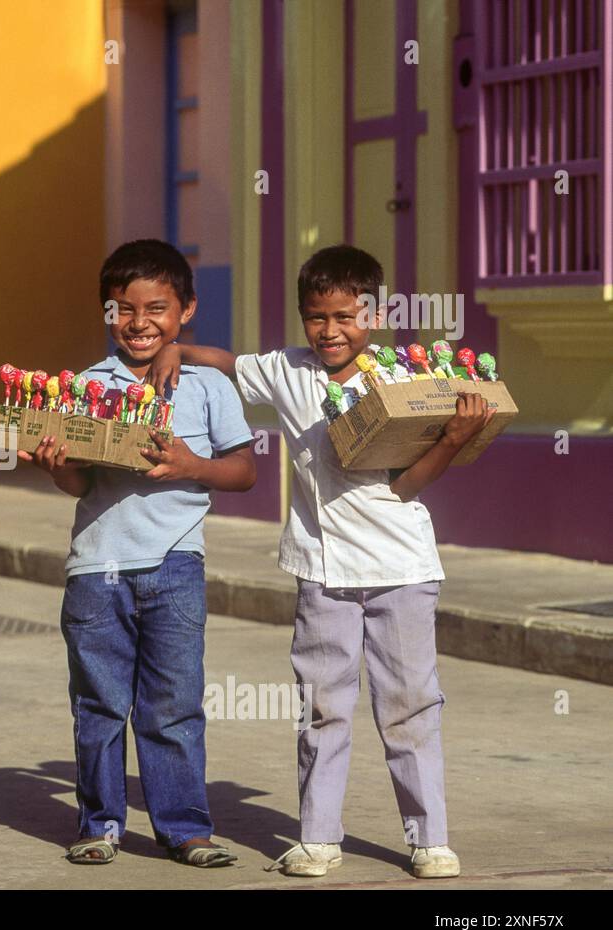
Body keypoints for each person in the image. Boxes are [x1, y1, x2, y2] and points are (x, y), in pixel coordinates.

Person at [145, 244, 493, 878]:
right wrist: (181, 349)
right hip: (322, 572)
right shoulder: (288, 371)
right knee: (321, 707)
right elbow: (230, 364)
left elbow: (408, 484)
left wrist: (452, 437)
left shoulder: (402, 381)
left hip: (402, 569)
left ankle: (427, 838)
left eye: (345, 317)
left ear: (377, 313)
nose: (330, 332)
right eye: (315, 317)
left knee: (410, 706)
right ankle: (318, 837)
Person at [20, 239, 256, 866]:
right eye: (124, 309)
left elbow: (243, 471)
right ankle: (99, 824)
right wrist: (54, 467)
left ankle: (185, 828)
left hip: (177, 563)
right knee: (99, 704)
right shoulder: (84, 387)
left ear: (186, 311)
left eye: (157, 308)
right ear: (107, 314)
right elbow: (79, 482)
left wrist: (190, 464)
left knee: (174, 704)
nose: (139, 322)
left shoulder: (206, 386)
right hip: (98, 567)